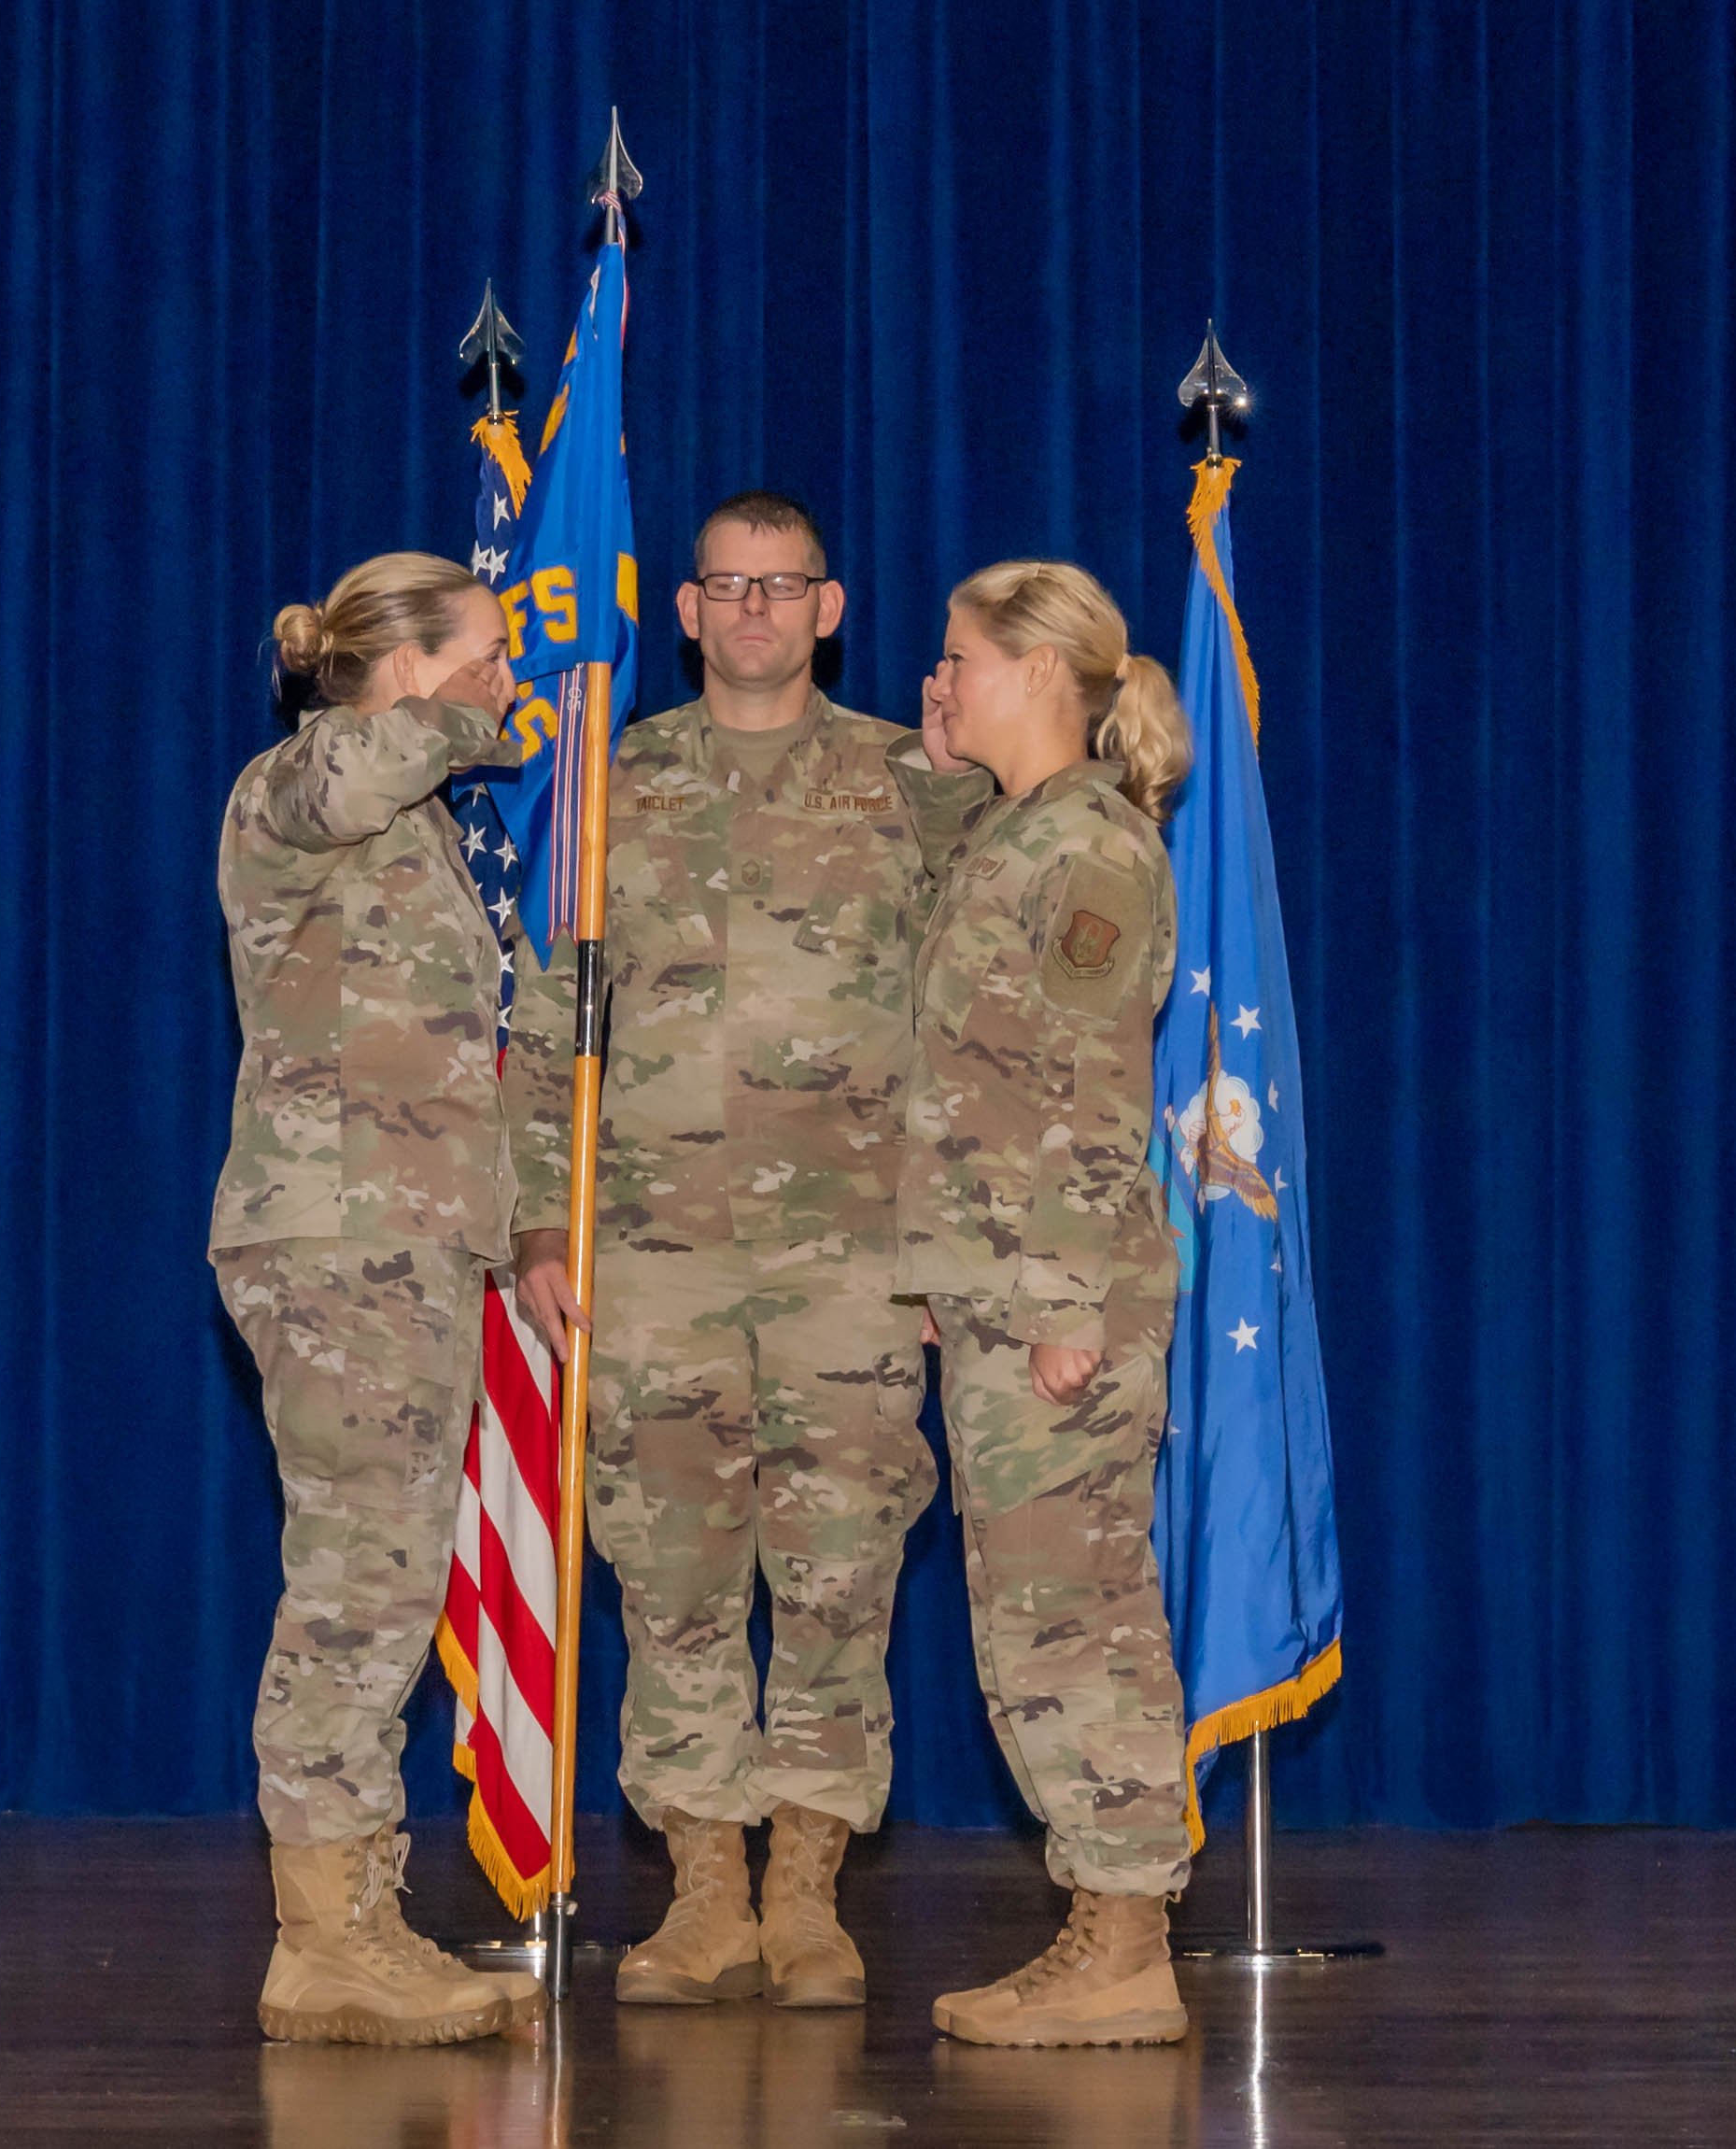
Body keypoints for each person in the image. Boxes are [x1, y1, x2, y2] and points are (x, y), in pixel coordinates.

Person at [504, 493, 988, 2009]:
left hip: (855, 1261)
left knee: (840, 1574)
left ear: (831, 608)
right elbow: (539, 1020)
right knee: (671, 1575)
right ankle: (705, 1888)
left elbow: (985, 1016)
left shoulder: (915, 788)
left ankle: (808, 1896)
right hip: (649, 1260)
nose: (758, 610)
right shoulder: (612, 782)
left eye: (785, 586)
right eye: (730, 585)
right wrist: (532, 1217)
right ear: (691, 610)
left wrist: (947, 1243)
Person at [211, 551, 543, 2047]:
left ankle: (353, 1913)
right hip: (334, 1237)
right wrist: (476, 718)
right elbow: (352, 767)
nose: (503, 680)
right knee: (358, 1583)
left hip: (410, 1247)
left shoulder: (427, 840)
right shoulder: (295, 784)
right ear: (400, 664)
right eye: (482, 654)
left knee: (385, 1578)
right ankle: (323, 1936)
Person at [897, 558, 1196, 2048]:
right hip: (1005, 1288)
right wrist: (968, 1273)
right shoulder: (1024, 832)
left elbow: (1087, 1091)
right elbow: (976, 1084)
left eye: (959, 657)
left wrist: (1069, 1297)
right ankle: (1107, 1921)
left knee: (1077, 1617)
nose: (937, 679)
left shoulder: (1095, 849)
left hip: (1060, 1299)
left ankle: (1130, 1940)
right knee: (1031, 1622)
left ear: (1036, 667)